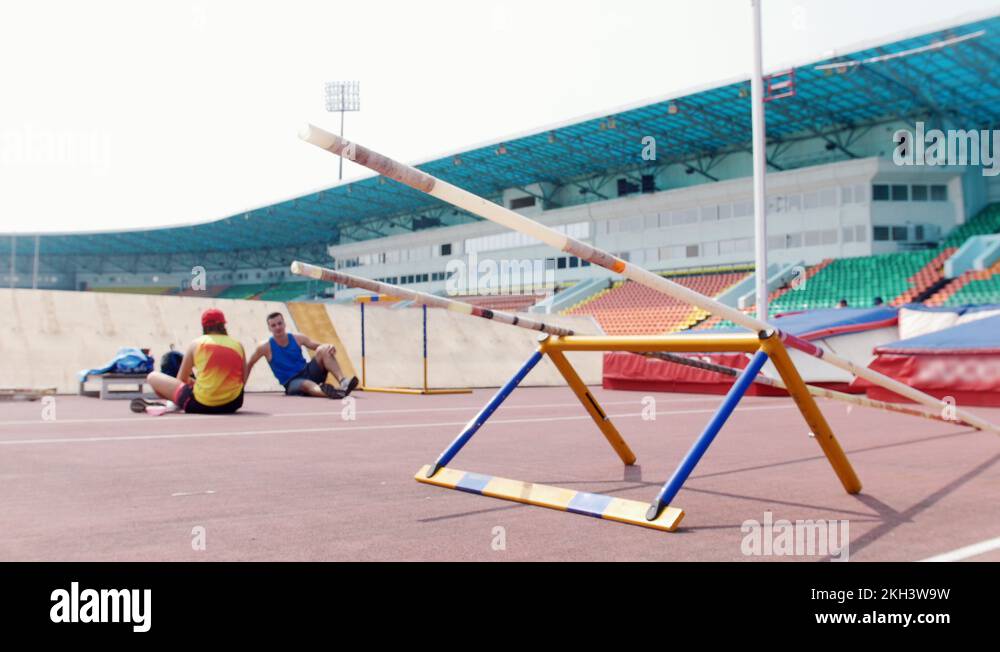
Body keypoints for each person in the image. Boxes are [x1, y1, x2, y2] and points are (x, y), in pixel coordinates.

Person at [132, 308, 246, 414]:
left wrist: (192, 382)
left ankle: (174, 403)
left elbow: (181, 379)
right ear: (223, 325)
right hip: (232, 404)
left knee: (152, 377)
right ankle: (175, 402)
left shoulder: (196, 344)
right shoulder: (238, 345)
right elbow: (243, 379)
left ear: (204, 327)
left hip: (201, 404)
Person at [246, 311, 358, 399]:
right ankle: (332, 393)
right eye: (273, 325)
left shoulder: (297, 338)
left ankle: (343, 383)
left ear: (284, 324)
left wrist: (329, 346)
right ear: (269, 328)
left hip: (308, 371)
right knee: (306, 384)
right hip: (292, 382)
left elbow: (316, 346)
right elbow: (250, 364)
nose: (278, 327)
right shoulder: (265, 347)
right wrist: (240, 388)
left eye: (280, 323)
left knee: (324, 349)